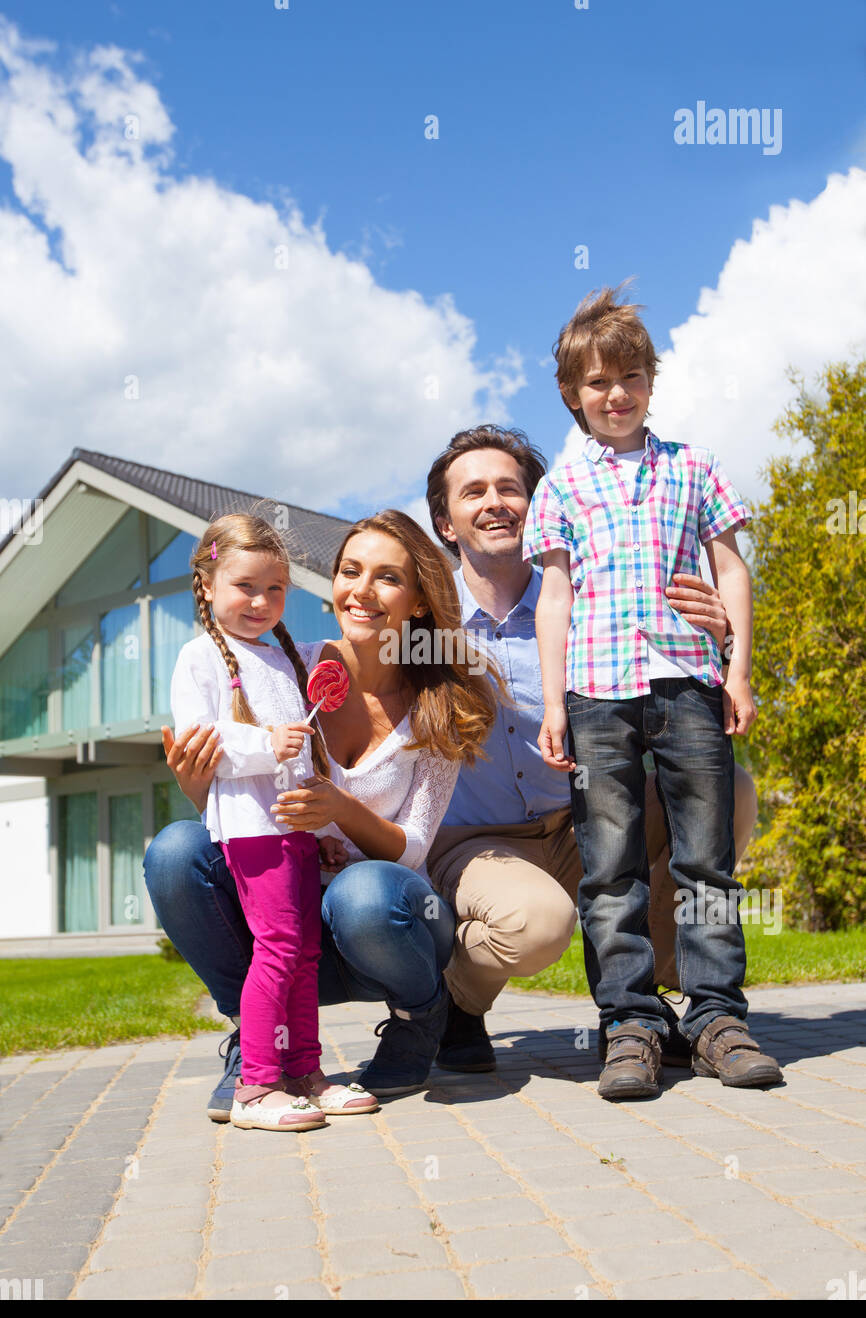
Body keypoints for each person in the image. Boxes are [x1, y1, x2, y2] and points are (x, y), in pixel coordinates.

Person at [425, 424, 758, 1074]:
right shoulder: (424, 624)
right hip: (481, 843)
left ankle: (652, 1000)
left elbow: (675, 693)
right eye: (474, 492)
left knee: (732, 793)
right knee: (537, 922)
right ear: (445, 520)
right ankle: (456, 1002)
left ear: (540, 505)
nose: (495, 502)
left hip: (589, 819)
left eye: (510, 488)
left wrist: (719, 637)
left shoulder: (592, 606)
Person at [144, 509, 499, 1112]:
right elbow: (245, 794)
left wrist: (340, 810)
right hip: (286, 895)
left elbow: (413, 847)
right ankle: (260, 1045)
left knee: (361, 892)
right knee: (176, 850)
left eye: (387, 577)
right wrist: (197, 784)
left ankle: (424, 1015)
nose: (361, 591)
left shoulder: (438, 706)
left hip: (384, 928)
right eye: (350, 570)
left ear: (417, 601)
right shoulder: (285, 666)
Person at [523, 286, 782, 1099]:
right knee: (610, 868)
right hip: (597, 696)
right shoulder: (561, 487)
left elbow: (733, 569)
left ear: (652, 381)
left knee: (707, 859)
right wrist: (557, 704)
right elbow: (555, 598)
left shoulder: (692, 467)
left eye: (631, 376)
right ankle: (629, 1025)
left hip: (689, 687)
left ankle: (715, 1018)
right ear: (573, 394)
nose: (617, 393)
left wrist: (737, 669)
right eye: (599, 382)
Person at [171, 512, 378, 1130]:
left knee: (305, 952)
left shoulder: (282, 658)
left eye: (275, 589)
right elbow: (200, 742)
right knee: (280, 948)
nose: (261, 601)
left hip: (293, 832)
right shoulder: (199, 657)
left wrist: (326, 831)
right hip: (250, 831)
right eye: (244, 586)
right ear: (207, 584)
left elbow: (304, 763)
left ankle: (305, 1073)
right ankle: (256, 1088)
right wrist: (268, 742)